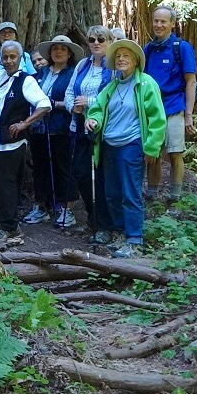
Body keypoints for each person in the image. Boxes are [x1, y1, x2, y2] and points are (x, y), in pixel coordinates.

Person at [85, 39, 166, 258]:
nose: (121, 59)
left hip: (132, 145)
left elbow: (158, 119)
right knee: (112, 193)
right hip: (109, 145)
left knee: (130, 194)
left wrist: (151, 148)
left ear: (136, 60)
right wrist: (93, 120)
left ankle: (135, 241)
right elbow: (97, 109)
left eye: (126, 56)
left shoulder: (146, 84)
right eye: (118, 56)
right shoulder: (111, 87)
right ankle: (120, 233)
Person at [0, 41, 51, 241]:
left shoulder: (26, 81)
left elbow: (44, 105)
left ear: (20, 59)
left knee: (7, 181)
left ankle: (9, 226)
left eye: (13, 57)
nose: (9, 61)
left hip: (11, 139)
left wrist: (24, 123)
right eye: (5, 57)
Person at [24, 36, 83, 228]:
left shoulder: (72, 74)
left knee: (63, 167)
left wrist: (53, 105)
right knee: (40, 168)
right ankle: (42, 206)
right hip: (39, 128)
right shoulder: (41, 74)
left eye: (63, 49)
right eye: (55, 49)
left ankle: (66, 208)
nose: (58, 52)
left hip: (61, 127)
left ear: (69, 54)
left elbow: (73, 100)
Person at [64, 25, 114, 243]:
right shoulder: (83, 65)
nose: (96, 43)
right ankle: (93, 219)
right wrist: (71, 106)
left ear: (110, 41)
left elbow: (115, 97)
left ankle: (104, 226)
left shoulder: (113, 67)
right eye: (92, 39)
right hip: (81, 127)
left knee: (101, 178)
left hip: (103, 131)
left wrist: (90, 102)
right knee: (82, 174)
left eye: (101, 39)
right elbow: (69, 91)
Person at [143, 6, 197, 202]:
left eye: (163, 21)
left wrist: (188, 114)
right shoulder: (148, 49)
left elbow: (191, 81)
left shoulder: (180, 47)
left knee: (175, 153)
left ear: (172, 24)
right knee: (153, 153)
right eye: (156, 21)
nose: (158, 25)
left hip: (174, 107)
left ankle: (175, 197)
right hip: (152, 109)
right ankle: (152, 194)